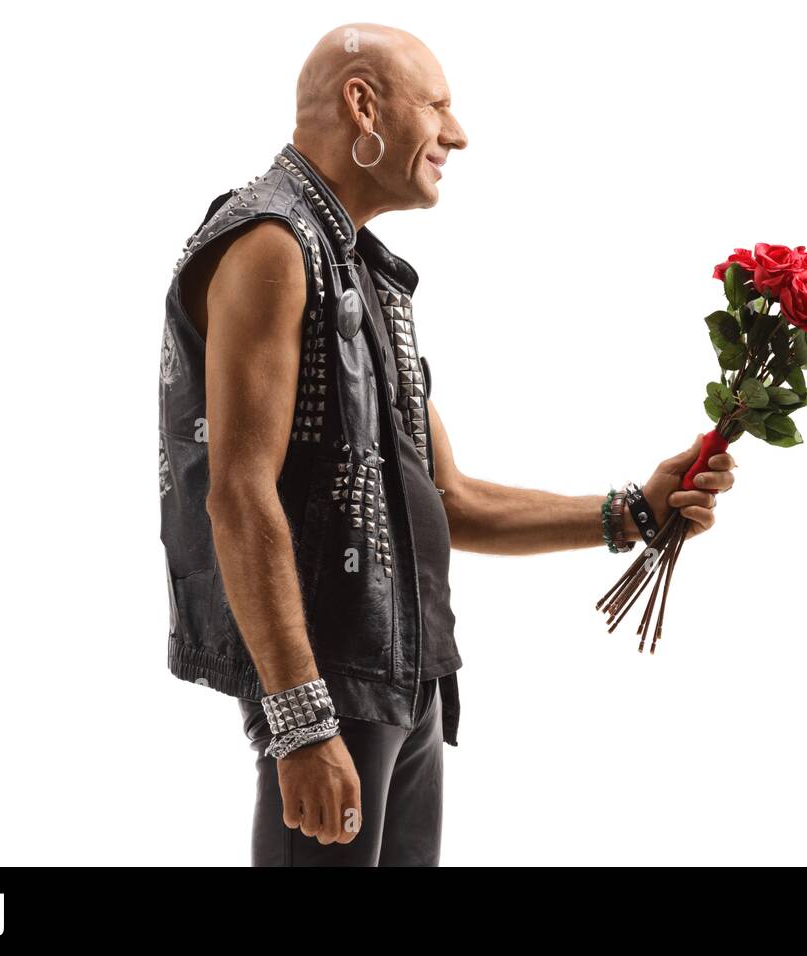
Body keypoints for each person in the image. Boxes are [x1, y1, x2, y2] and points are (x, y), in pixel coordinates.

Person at [158, 22, 736, 866]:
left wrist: (635, 513)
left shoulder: (361, 269)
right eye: (436, 105)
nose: (456, 133)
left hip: (408, 678)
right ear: (363, 105)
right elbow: (239, 496)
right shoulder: (272, 246)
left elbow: (449, 497)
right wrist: (300, 722)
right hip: (331, 691)